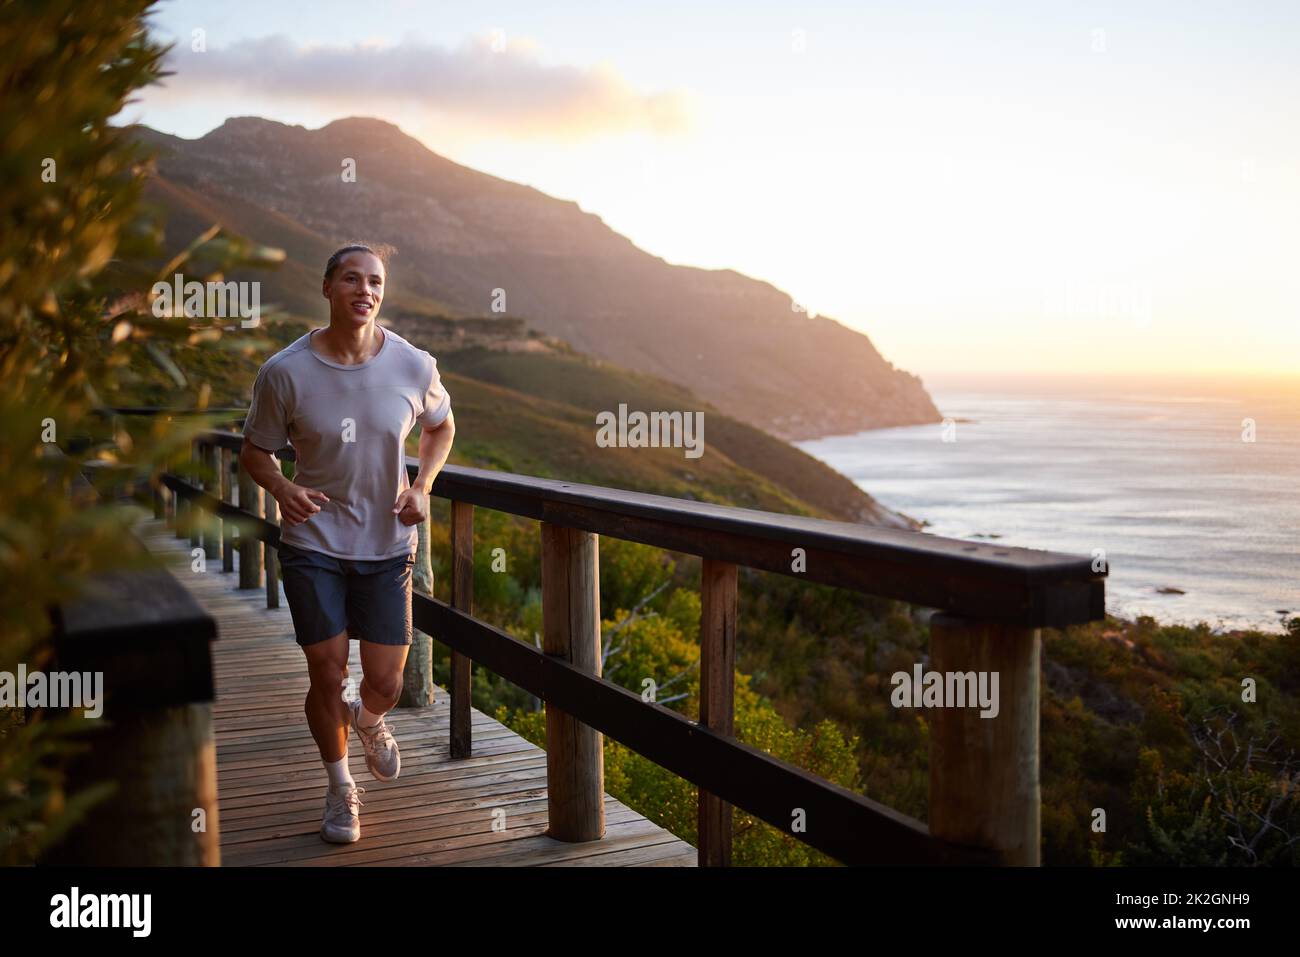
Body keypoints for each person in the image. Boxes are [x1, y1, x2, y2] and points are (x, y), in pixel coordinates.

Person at [238, 242, 456, 843]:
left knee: (385, 682)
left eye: (377, 282)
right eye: (353, 279)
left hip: (388, 545)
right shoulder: (285, 372)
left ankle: (369, 721)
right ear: (328, 288)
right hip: (314, 542)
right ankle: (340, 789)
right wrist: (282, 486)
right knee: (327, 674)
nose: (366, 290)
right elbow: (254, 452)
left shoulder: (414, 365)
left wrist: (423, 484)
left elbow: (441, 426)